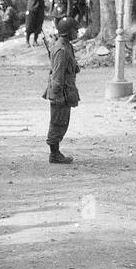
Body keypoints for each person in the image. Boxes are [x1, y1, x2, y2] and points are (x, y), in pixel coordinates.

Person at [45, 17, 81, 163]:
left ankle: (55, 153)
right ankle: (54, 154)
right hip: (60, 92)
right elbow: (58, 75)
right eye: (75, 30)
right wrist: (58, 95)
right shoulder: (61, 49)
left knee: (62, 122)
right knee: (57, 123)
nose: (77, 32)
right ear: (67, 32)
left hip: (65, 90)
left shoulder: (67, 46)